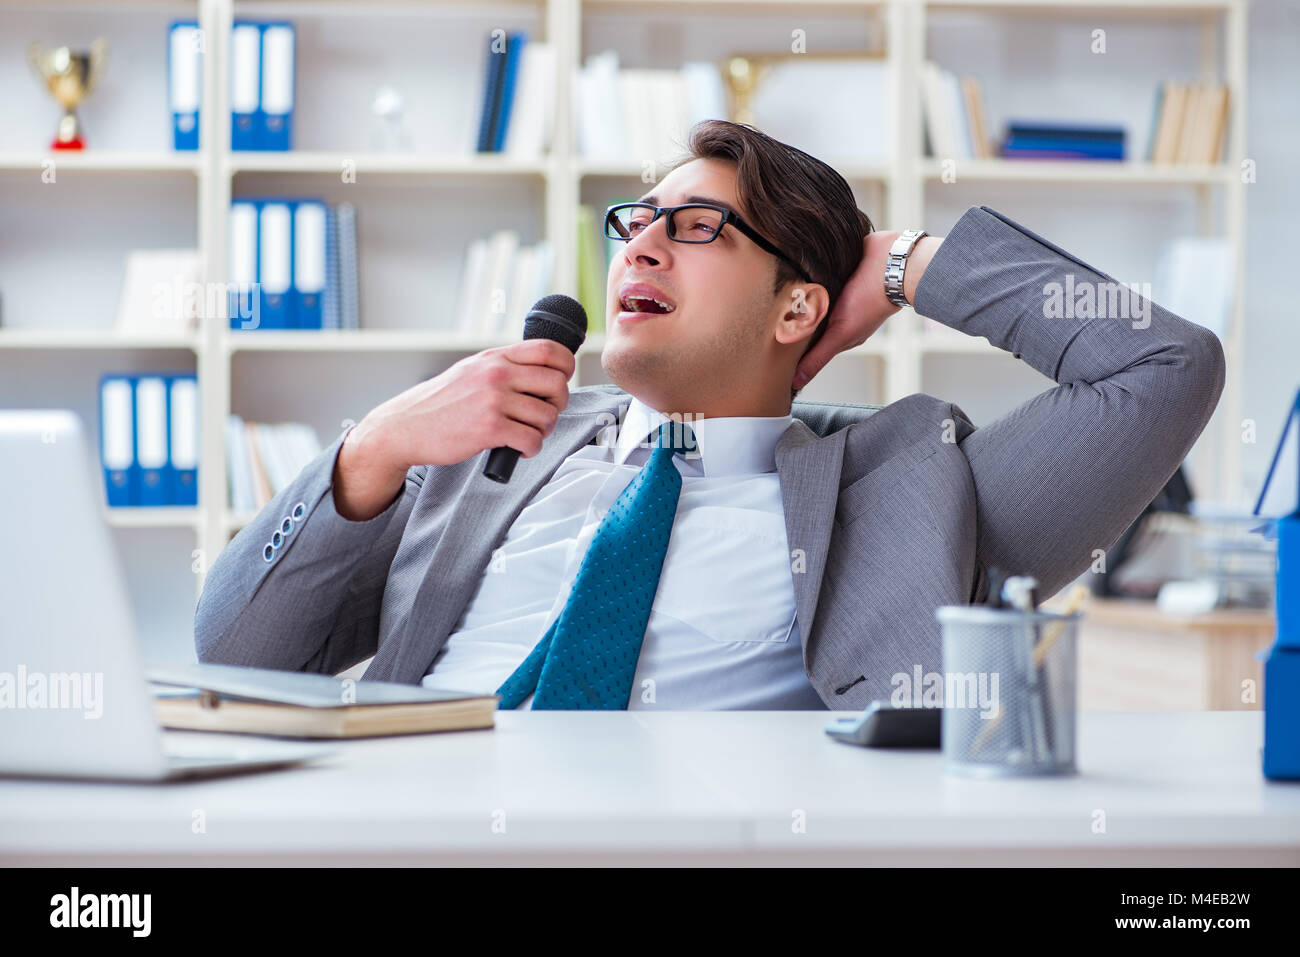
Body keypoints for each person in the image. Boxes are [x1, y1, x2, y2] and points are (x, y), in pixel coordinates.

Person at [195, 120, 1225, 710]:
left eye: (693, 228)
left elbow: (1165, 366)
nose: (637, 248)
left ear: (799, 307)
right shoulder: (488, 446)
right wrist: (370, 452)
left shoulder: (913, 490)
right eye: (633, 225)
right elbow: (235, 667)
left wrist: (907, 265)